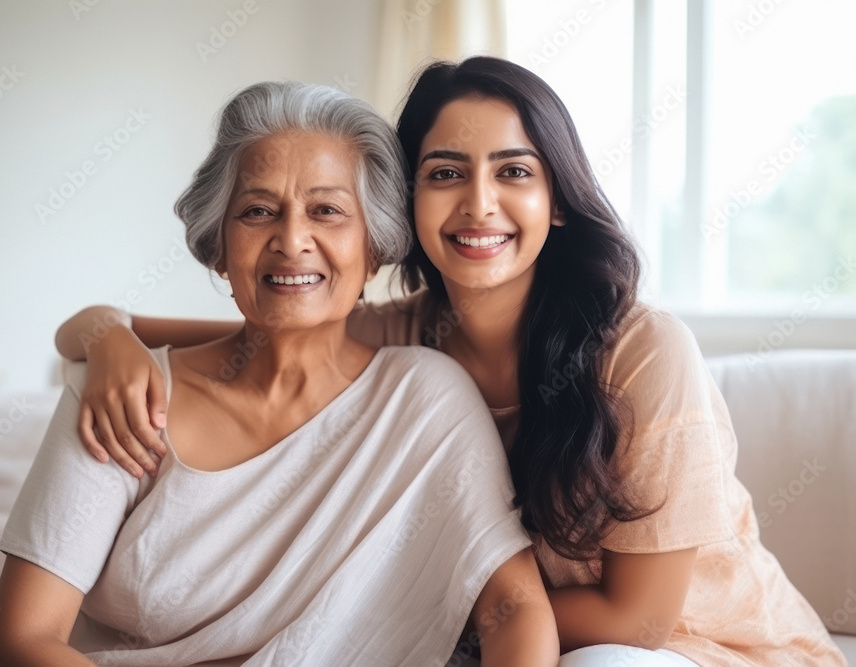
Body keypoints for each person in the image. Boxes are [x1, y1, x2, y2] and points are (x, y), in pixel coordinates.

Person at [54, 59, 844, 666]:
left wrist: (413, 612)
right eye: (445, 173)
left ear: (557, 198)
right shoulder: (400, 341)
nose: (478, 204)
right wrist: (106, 338)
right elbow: (203, 328)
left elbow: (634, 620)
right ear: (403, 208)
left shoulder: (641, 351)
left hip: (705, 651)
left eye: (514, 171)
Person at [0, 80, 559, 667]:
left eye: (327, 211)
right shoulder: (122, 395)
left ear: (376, 247)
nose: (291, 241)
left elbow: (511, 609)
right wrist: (107, 337)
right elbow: (22, 640)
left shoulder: (425, 398)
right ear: (218, 246)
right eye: (258, 212)